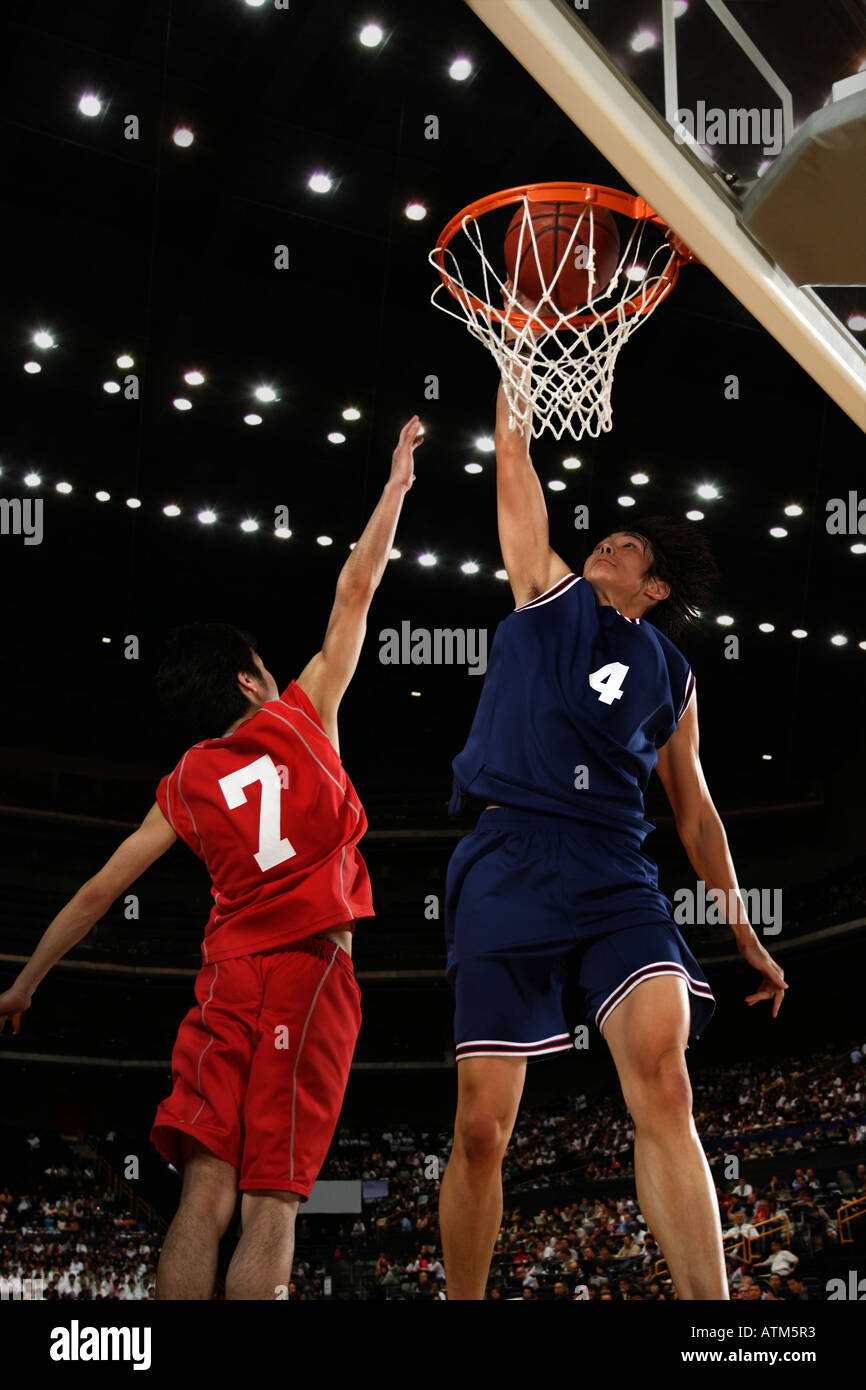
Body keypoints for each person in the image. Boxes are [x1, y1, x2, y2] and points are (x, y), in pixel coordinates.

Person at [0, 416, 422, 1300]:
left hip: (224, 983)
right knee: (273, 1202)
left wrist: (26, 982)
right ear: (248, 680)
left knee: (202, 1194)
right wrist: (393, 488)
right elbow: (356, 590)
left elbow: (95, 891)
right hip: (308, 977)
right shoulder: (304, 715)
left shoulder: (183, 782)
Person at [437, 376, 787, 1302]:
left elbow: (697, 810)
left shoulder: (673, 673)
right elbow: (514, 465)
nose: (608, 542)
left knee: (666, 1086)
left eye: (628, 546)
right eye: (606, 534)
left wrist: (743, 928)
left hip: (612, 869)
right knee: (482, 1129)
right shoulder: (545, 597)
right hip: (507, 858)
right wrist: (512, 363)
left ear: (655, 586)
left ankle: (717, 1324)